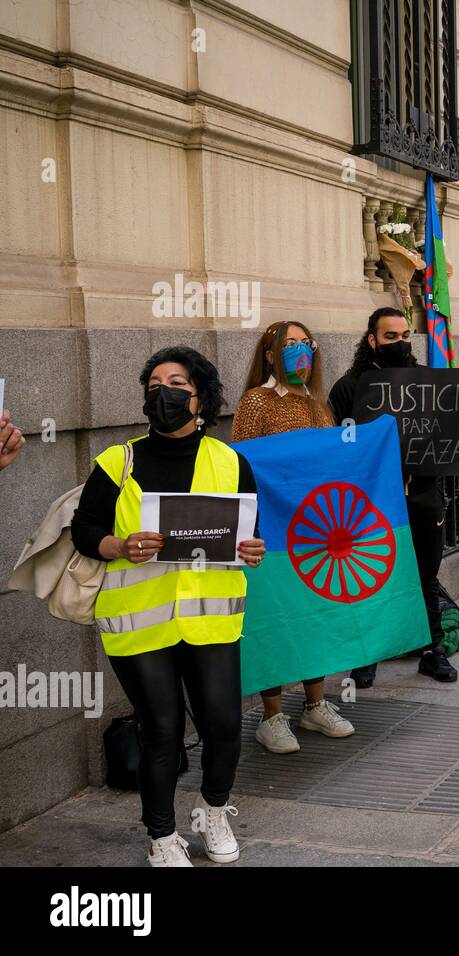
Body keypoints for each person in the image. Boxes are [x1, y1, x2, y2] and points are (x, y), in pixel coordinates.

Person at [70, 346, 265, 866]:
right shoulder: (118, 461)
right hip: (140, 625)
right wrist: (118, 545)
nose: (163, 393)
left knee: (224, 725)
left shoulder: (230, 461)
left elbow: (249, 533)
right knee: (161, 730)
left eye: (176, 384)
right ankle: (161, 836)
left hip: (211, 622)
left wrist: (253, 548)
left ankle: (213, 810)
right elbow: (84, 530)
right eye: (154, 385)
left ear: (200, 397)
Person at [329, 307, 459, 688]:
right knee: (371, 578)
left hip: (424, 496)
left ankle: (432, 650)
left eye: (406, 335)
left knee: (425, 575)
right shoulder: (348, 388)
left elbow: (456, 428)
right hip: (371, 504)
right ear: (371, 339)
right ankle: (367, 656)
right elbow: (338, 447)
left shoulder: (430, 385)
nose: (401, 342)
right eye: (391, 336)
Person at [232, 320, 355, 754]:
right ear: (270, 355)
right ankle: (272, 714)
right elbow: (242, 463)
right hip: (272, 529)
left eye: (306, 342)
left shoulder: (320, 403)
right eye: (290, 344)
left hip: (316, 530)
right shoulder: (257, 400)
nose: (300, 350)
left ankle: (315, 704)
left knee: (313, 613)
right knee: (275, 615)